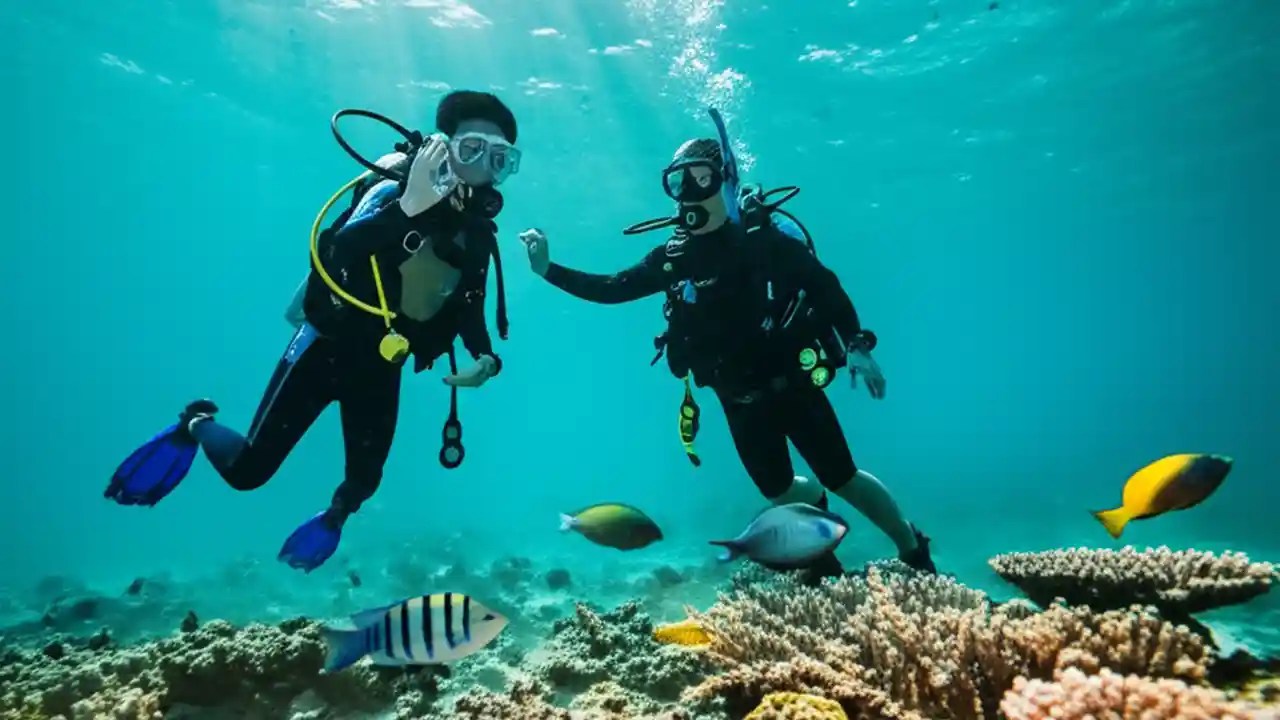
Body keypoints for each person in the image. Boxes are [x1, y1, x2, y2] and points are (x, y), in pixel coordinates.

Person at [104, 90, 522, 572]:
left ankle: (332, 519)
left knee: (363, 484)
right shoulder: (394, 189)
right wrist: (408, 208)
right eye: (471, 149)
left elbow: (471, 305)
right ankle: (194, 423)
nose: (483, 168)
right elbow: (336, 253)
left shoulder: (475, 234)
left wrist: (486, 359)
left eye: (499, 158)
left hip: (384, 362)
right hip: (324, 348)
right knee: (248, 473)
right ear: (442, 147)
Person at [517, 110, 935, 581]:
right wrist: (547, 270)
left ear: (728, 181)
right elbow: (614, 287)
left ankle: (911, 546)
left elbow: (827, 289)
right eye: (678, 182)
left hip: (793, 386)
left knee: (844, 477)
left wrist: (857, 343)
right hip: (737, 399)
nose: (689, 193)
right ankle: (821, 544)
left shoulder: (764, 243)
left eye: (702, 178)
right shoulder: (673, 258)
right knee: (779, 490)